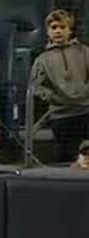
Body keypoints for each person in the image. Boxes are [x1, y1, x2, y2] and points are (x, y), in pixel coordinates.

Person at [31, 9, 89, 165]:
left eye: (62, 27)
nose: (58, 31)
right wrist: (51, 97)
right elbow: (36, 86)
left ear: (70, 30)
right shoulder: (42, 59)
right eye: (53, 27)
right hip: (61, 114)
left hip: (86, 109)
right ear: (48, 31)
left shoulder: (85, 52)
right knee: (66, 157)